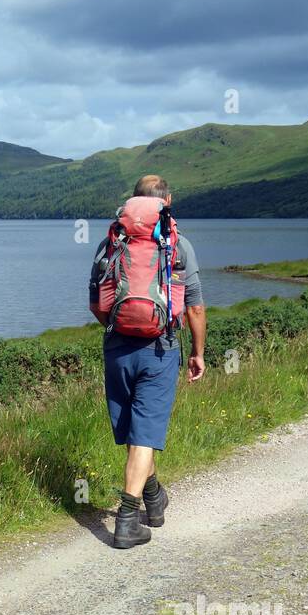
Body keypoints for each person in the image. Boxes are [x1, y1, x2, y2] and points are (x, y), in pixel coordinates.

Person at [103, 174, 206, 548]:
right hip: (160, 348)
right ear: (168, 200)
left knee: (136, 431)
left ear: (133, 202)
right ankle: (127, 520)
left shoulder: (114, 242)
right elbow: (193, 305)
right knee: (144, 433)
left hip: (117, 347)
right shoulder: (178, 246)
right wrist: (197, 352)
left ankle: (154, 497)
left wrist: (117, 330)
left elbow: (96, 300)